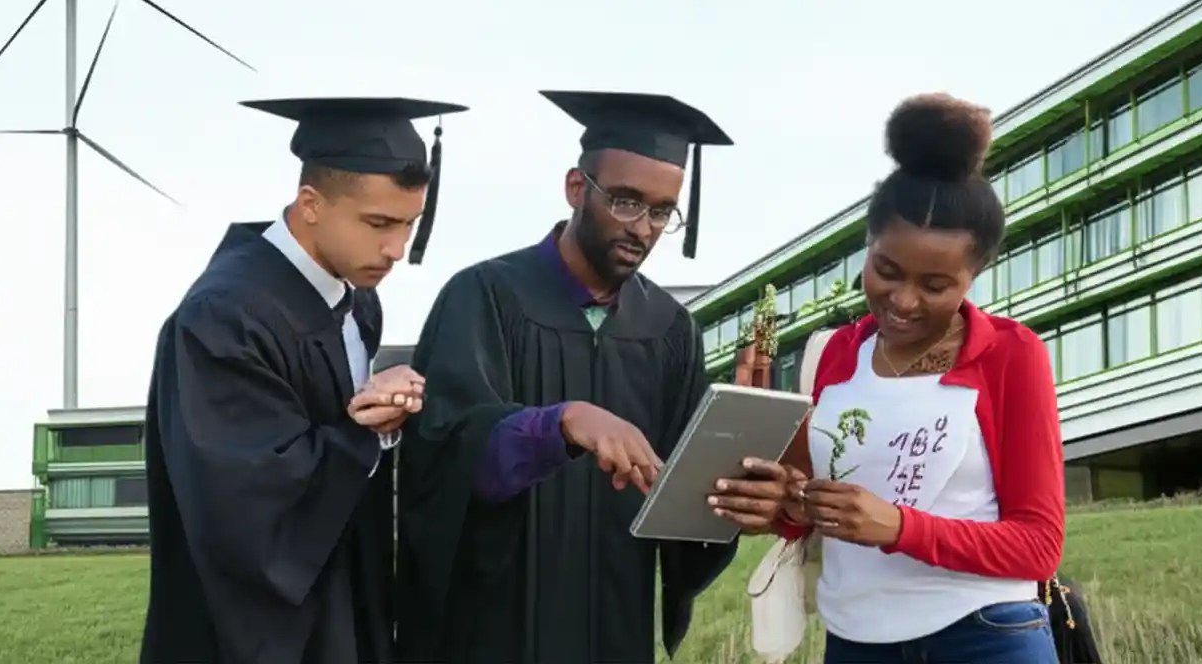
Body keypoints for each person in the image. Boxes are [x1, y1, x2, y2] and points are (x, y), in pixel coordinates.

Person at [393, 90, 790, 664]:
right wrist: (558, 424)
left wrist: (740, 500)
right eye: (626, 202)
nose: (644, 228)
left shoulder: (670, 329)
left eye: (661, 211)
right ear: (577, 188)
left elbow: (682, 497)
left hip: (614, 620)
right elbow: (443, 454)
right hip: (495, 629)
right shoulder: (484, 297)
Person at [139, 96, 467, 664]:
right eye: (379, 223)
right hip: (253, 634)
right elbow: (244, 506)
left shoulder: (357, 302)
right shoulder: (224, 317)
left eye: (409, 224)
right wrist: (364, 435)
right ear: (311, 204)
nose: (397, 249)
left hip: (343, 598)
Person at [771, 93, 1066, 663]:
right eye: (886, 271)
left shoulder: (1010, 354)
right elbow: (803, 505)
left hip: (985, 635)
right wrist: (786, 504)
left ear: (971, 278)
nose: (902, 301)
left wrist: (901, 527)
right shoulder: (835, 353)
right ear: (868, 247)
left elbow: (1039, 544)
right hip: (855, 642)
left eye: (935, 286)